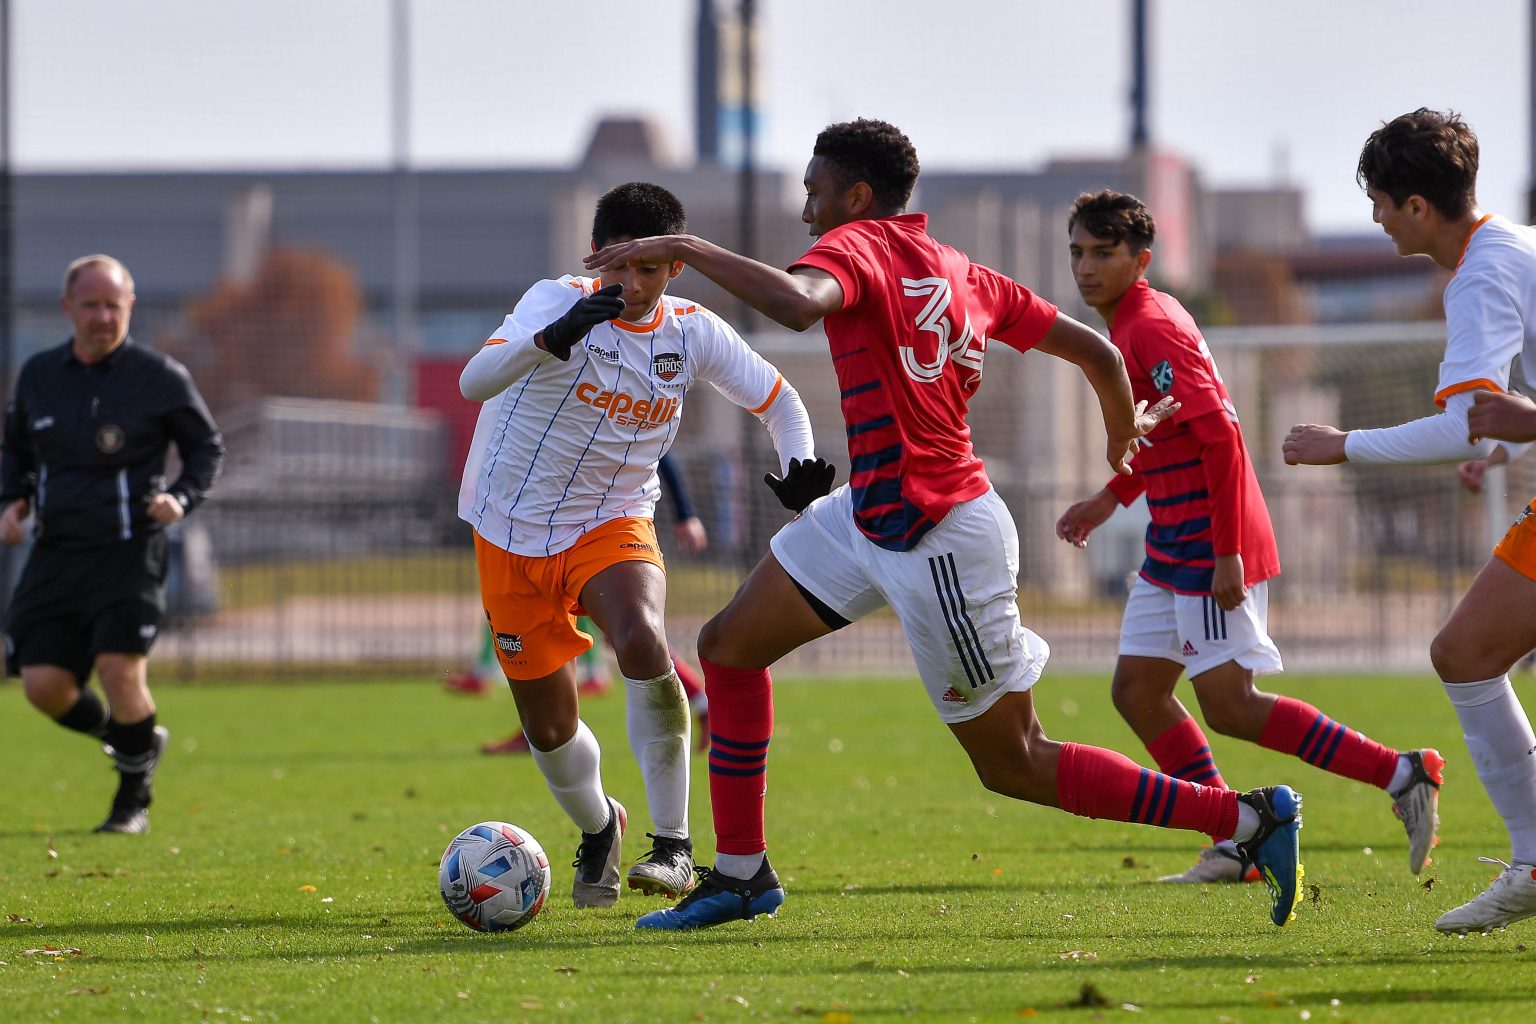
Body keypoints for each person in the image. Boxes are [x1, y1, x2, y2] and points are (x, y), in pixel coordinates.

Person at [586, 118, 1303, 932]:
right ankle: (743, 875)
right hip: (872, 514)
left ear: (858, 197)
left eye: (814, 193)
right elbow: (1099, 357)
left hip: (938, 534)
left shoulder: (855, 249)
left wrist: (688, 245)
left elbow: (793, 306)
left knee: (1015, 762)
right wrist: (1116, 433)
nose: (805, 211)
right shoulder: (963, 270)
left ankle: (1248, 820)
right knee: (728, 647)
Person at [1055, 189, 1443, 885]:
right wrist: (1108, 500)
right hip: (1170, 545)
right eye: (1078, 252)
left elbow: (1223, 438)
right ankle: (1232, 838)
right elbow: (1167, 438)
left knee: (1232, 706)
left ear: (1140, 261)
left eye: (1104, 253)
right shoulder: (1131, 326)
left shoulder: (1152, 327)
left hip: (1207, 543)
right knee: (1138, 692)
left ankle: (1402, 772)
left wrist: (1229, 551)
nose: (1087, 267)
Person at [458, 181, 816, 909]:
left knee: (643, 639)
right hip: (508, 529)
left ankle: (675, 847)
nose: (630, 284)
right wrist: (549, 340)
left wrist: (799, 464)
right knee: (550, 732)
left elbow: (779, 399)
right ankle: (600, 827)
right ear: (595, 260)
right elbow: (473, 381)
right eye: (616, 268)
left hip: (613, 520)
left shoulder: (691, 331)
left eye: (647, 268)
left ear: (673, 269)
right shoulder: (554, 302)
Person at [1284, 108, 1536, 934]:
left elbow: (1460, 421)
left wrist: (1342, 445)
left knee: (1464, 654)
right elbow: (1492, 421)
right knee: (1465, 653)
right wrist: (1503, 446)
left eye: (1382, 203)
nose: (1377, 220)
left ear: (1419, 207)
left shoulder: (1482, 275)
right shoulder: (1518, 246)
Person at [1, 254, 224, 834]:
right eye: (91, 305)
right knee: (43, 686)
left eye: (113, 305)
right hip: (56, 552)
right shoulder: (39, 376)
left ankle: (132, 804)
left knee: (120, 671)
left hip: (130, 549)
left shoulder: (159, 377)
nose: (103, 316)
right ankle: (132, 738)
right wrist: (13, 499)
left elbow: (207, 449)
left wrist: (180, 497)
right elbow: (17, 451)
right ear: (67, 308)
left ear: (130, 306)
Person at [468, 450, 713, 753]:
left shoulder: (616, 412)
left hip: (599, 531)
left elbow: (662, 450)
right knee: (605, 632)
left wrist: (686, 513)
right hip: (557, 529)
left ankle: (699, 703)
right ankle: (540, 727)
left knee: (622, 632)